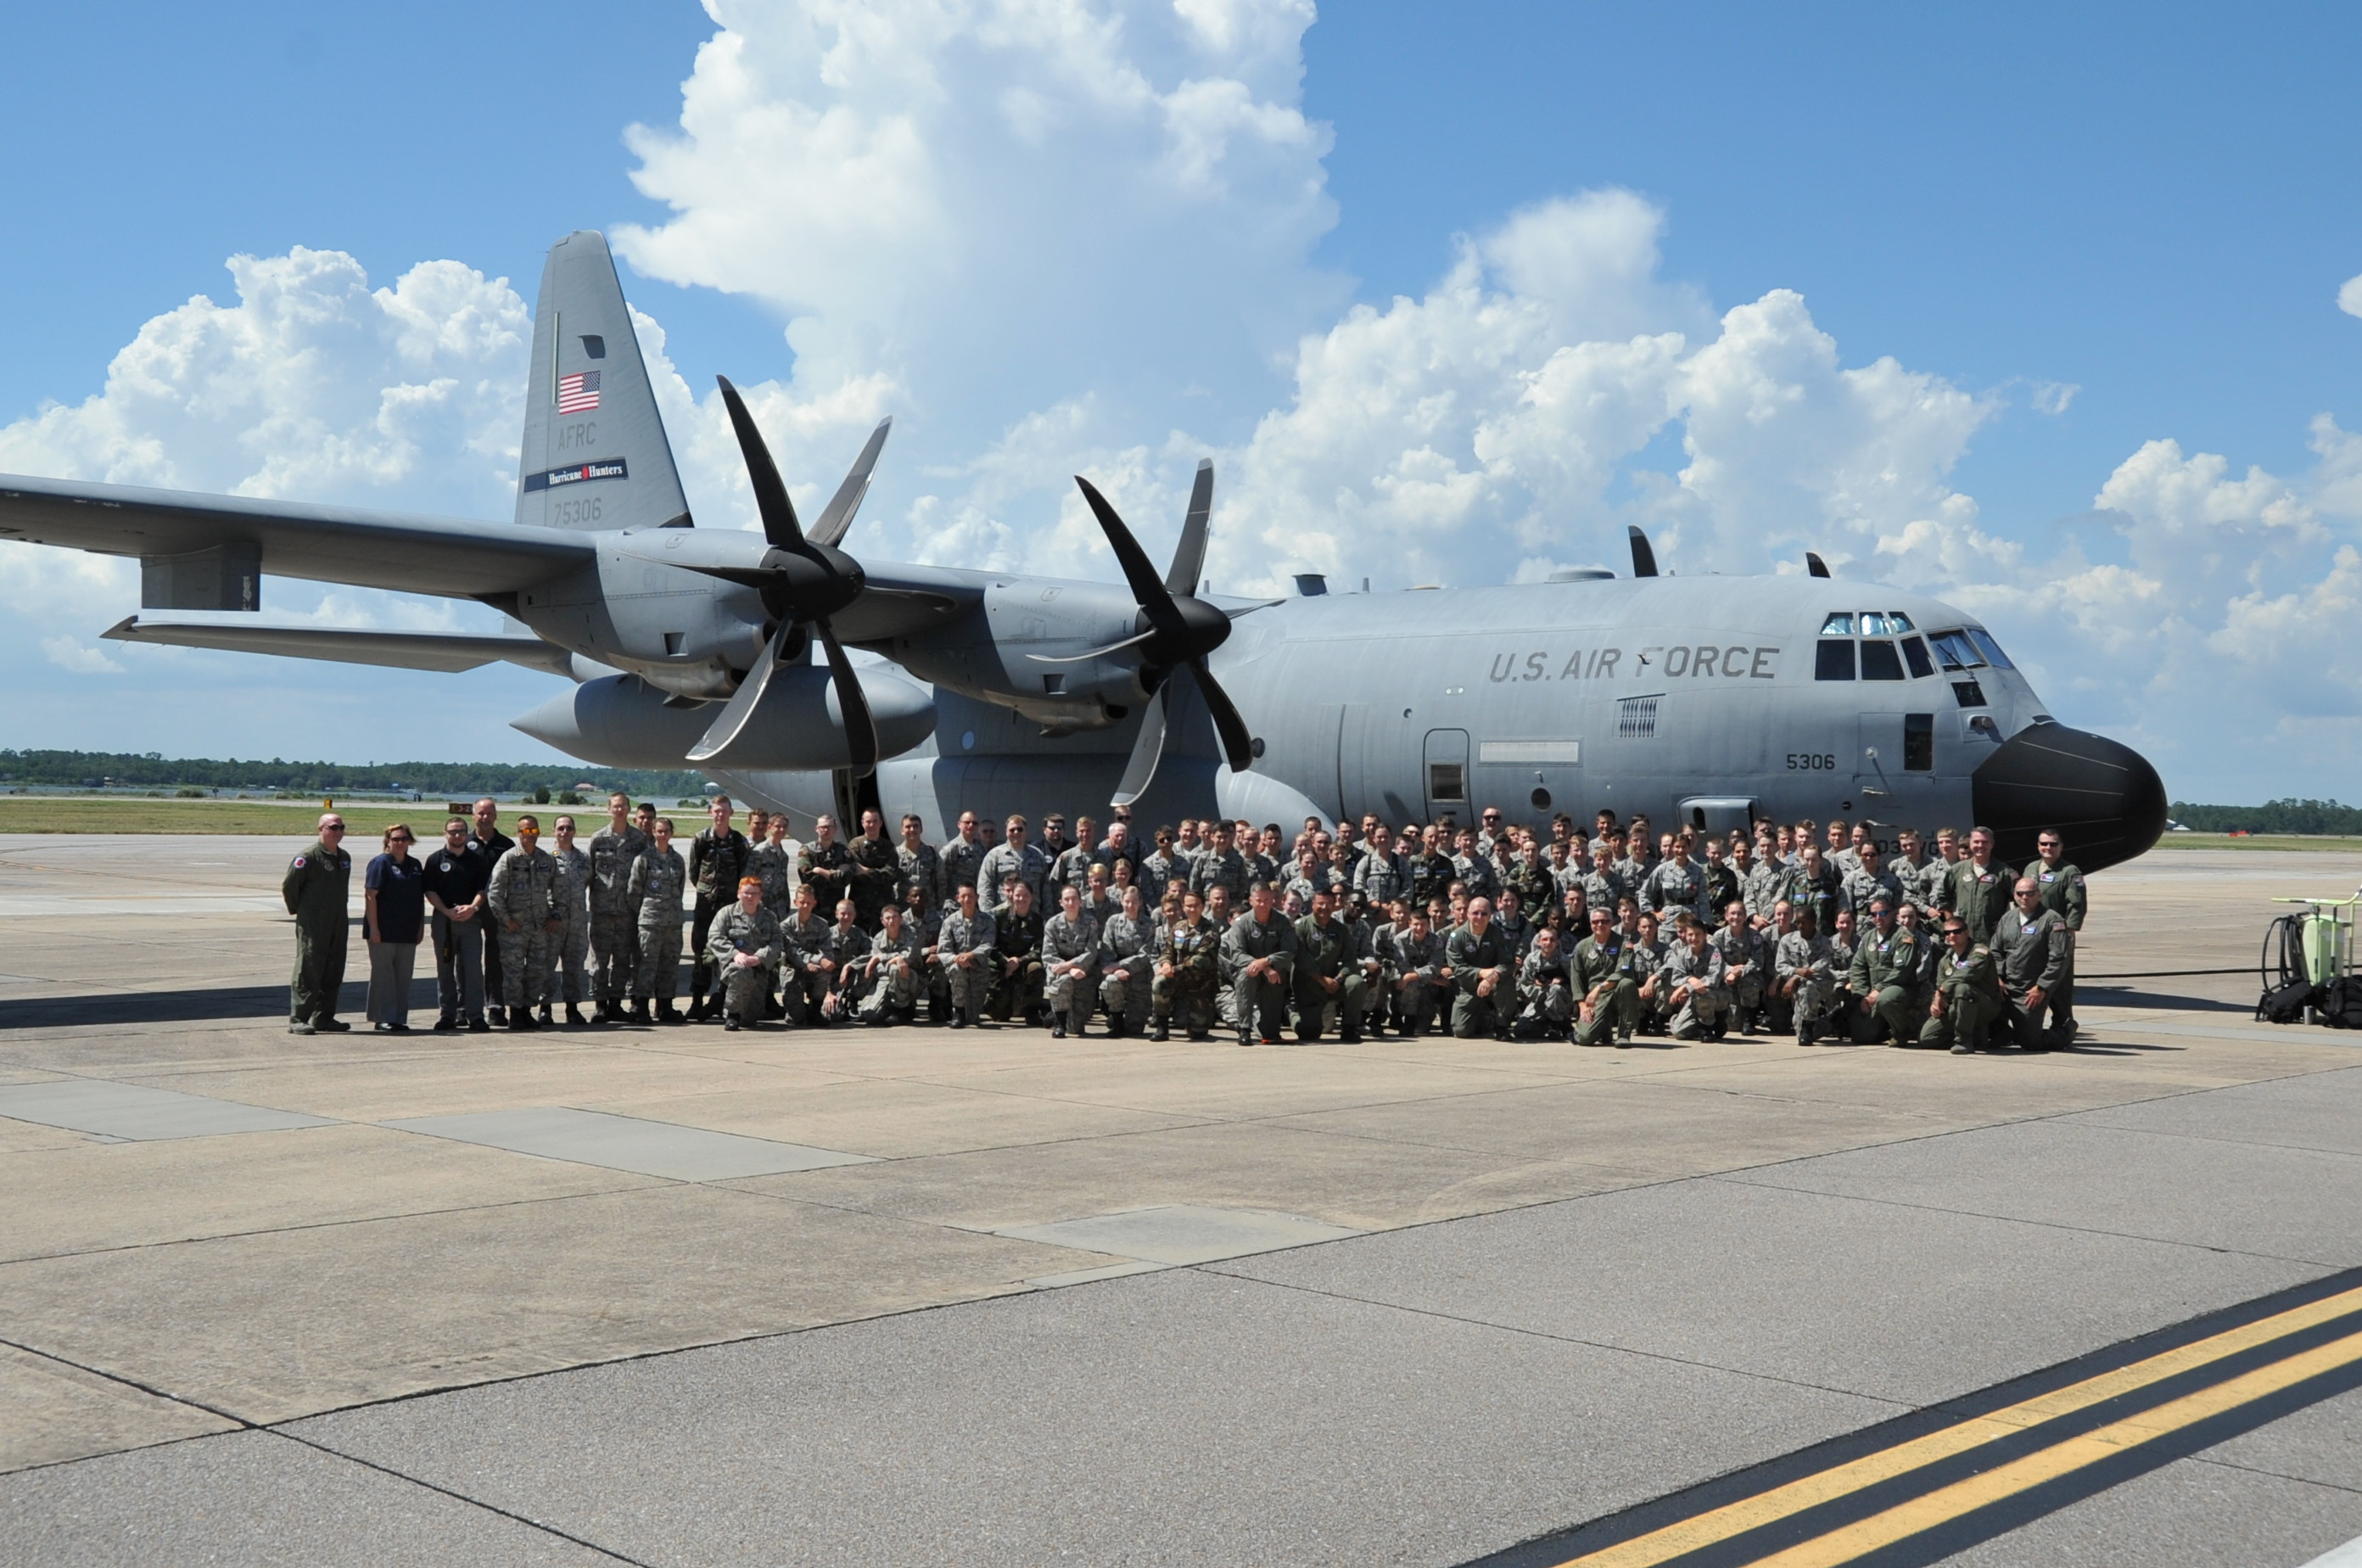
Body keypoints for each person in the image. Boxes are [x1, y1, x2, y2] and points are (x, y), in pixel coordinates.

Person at [488, 815, 562, 1030]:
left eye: (534, 831)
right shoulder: (509, 858)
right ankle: (515, 1012)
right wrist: (506, 919)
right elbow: (495, 892)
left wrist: (555, 914)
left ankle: (528, 1009)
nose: (530, 835)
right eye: (526, 831)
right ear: (519, 833)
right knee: (514, 972)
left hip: (539, 928)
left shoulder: (546, 859)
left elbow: (558, 890)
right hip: (514, 929)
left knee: (537, 971)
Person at [283, 811, 353, 1035]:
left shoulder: (344, 857)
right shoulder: (308, 857)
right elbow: (290, 887)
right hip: (314, 923)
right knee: (309, 968)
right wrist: (302, 912)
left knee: (334, 969)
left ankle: (324, 1017)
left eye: (341, 827)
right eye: (333, 827)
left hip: (338, 922)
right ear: (320, 829)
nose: (338, 832)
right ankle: (298, 1018)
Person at [422, 816, 490, 1033]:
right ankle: (447, 1015)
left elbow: (483, 890)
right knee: (445, 970)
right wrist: (446, 911)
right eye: (453, 832)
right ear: (445, 834)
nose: (457, 835)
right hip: (444, 920)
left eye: (461, 831)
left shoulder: (477, 860)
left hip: (470, 920)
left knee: (472, 970)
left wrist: (473, 908)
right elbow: (430, 891)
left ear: (466, 833)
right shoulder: (435, 860)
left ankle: (476, 1016)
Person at [686, 798, 752, 1020]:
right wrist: (707, 891)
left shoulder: (739, 842)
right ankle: (696, 1001)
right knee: (701, 952)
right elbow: (694, 873)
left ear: (731, 812)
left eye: (724, 811)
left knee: (729, 954)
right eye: (716, 811)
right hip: (706, 906)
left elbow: (744, 873)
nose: (720, 815)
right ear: (709, 812)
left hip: (729, 909)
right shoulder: (701, 839)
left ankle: (723, 1000)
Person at [586, 793, 647, 1024]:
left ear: (629, 809)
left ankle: (615, 1003)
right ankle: (600, 1005)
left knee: (623, 961)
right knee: (599, 962)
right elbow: (590, 873)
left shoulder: (639, 840)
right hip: (602, 910)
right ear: (608, 809)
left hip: (628, 911)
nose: (619, 810)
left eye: (623, 806)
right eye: (615, 806)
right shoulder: (598, 839)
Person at [1992, 875, 2071, 1050]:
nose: (2024, 898)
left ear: (2039, 895)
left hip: (2030, 991)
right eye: (2020, 894)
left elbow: (2058, 958)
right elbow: (1995, 950)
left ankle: (2065, 1031)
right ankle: (2006, 1034)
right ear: (2014, 895)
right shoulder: (2008, 918)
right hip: (2006, 988)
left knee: (2030, 1042)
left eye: (2030, 894)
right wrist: (1998, 977)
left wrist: (2042, 987)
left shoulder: (2052, 920)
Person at [2025, 829, 2088, 1039]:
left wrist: (2068, 936)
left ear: (2061, 847)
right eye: (2044, 844)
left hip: (2057, 936)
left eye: (2053, 844)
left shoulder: (2070, 872)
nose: (2048, 848)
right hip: (2033, 935)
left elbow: (2076, 905)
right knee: (2034, 979)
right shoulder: (2031, 868)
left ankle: (2065, 1026)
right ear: (2038, 846)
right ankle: (2031, 1025)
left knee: (2060, 984)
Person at [362, 823, 423, 1033]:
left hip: (407, 930)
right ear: (388, 841)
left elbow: (418, 898)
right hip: (384, 930)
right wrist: (374, 928)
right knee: (383, 976)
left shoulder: (415, 865)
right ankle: (382, 1018)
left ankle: (397, 1018)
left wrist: (420, 927)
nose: (400, 843)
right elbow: (371, 895)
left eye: (404, 839)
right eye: (395, 839)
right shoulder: (380, 863)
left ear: (410, 841)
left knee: (403, 977)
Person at [627, 818, 688, 1022]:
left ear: (671, 833)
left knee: (670, 964)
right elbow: (634, 891)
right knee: (647, 963)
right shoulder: (644, 859)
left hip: (673, 921)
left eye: (666, 831)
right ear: (653, 832)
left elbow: (679, 888)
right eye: (659, 831)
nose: (663, 834)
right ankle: (642, 1005)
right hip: (651, 921)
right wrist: (645, 913)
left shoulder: (677, 859)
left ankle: (665, 1006)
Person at [1222, 881, 1296, 1044]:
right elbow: (1237, 954)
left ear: (1273, 900)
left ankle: (1268, 1026)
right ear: (1251, 901)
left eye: (1267, 900)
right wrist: (1263, 967)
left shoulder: (1282, 922)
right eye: (1259, 900)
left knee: (1269, 1034)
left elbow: (1290, 951)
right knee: (1244, 977)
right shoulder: (1241, 923)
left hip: (1275, 973)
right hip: (1251, 970)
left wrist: (1267, 962)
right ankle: (1244, 1028)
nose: (1263, 904)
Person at [704, 877, 781, 1031]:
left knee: (749, 1019)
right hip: (732, 966)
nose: (750, 897)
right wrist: (735, 954)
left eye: (754, 893)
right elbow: (715, 937)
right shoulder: (726, 913)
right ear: (739, 893)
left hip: (758, 967)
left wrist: (759, 957)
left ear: (761, 895)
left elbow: (777, 943)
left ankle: (720, 1001)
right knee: (741, 970)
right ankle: (732, 1014)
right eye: (746, 893)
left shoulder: (769, 917)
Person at [1293, 888, 1368, 1043]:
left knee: (1356, 983)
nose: (1324, 908)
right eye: (1320, 903)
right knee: (1310, 1034)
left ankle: (1349, 1029)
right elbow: (1301, 958)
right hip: (1308, 985)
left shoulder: (1340, 929)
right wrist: (1321, 980)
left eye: (1329, 904)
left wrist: (1339, 979)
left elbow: (1350, 958)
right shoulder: (1301, 926)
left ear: (1335, 906)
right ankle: (1290, 1012)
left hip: (1333, 983)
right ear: (1313, 904)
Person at [1921, 917, 2005, 1055]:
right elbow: (1940, 987)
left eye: (1957, 931)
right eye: (1947, 933)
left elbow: (1968, 973)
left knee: (1963, 988)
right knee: (1927, 1038)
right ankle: (1975, 1038)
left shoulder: (1979, 952)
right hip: (1956, 1007)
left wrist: (1942, 990)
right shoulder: (1945, 960)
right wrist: (1936, 1005)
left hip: (1984, 1005)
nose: (1951, 936)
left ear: (1967, 932)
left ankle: (1964, 1041)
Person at [1847, 895, 1923, 1045]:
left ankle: (1902, 1032)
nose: (1878, 918)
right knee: (1861, 1037)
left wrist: (1879, 989)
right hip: (1872, 992)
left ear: (1893, 914)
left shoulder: (1903, 937)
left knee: (1886, 999)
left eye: (1882, 913)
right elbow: (1857, 967)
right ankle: (1882, 1029)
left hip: (1900, 989)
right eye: (1874, 914)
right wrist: (1862, 994)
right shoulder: (1868, 937)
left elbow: (1902, 970)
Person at [467, 799, 515, 1025]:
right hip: (469, 909)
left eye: (489, 813)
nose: (485, 817)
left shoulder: (506, 845)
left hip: (497, 910)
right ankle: (464, 1006)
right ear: (473, 816)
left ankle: (496, 1006)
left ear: (496, 816)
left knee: (496, 958)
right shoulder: (463, 842)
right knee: (467, 959)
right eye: (480, 813)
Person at [1150, 889, 1221, 1041]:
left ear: (1203, 906)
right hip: (1178, 979)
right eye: (1188, 906)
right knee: (1159, 983)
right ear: (1183, 907)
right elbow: (1167, 951)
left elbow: (1200, 961)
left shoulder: (1210, 931)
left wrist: (1173, 969)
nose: (1192, 909)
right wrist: (1166, 964)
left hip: (1201, 985)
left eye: (1195, 905)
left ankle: (1195, 1021)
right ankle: (1162, 1028)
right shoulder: (1178, 927)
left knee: (1197, 1033)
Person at [1040, 883, 1102, 1039]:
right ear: (1060, 902)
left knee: (1076, 1029)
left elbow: (1091, 951)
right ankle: (1060, 1024)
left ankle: (1055, 1015)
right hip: (1059, 974)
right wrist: (1068, 969)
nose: (1070, 903)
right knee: (1064, 980)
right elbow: (1048, 955)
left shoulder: (1090, 922)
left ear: (1081, 901)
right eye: (1066, 899)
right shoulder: (1052, 924)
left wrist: (1071, 965)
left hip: (1083, 974)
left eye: (1074, 899)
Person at [1446, 896, 1513, 1039]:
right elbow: (1457, 968)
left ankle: (1502, 1026)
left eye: (1484, 914)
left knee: (1507, 983)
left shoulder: (1499, 934)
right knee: (1461, 1031)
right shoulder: (1456, 937)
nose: (1479, 917)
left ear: (1491, 915)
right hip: (1468, 987)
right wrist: (1481, 973)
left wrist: (1491, 978)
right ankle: (1485, 1017)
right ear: (1468, 914)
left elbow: (1508, 963)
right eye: (1475, 913)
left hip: (1494, 984)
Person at [932, 882, 997, 1029]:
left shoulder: (988, 920)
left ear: (977, 898)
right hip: (957, 965)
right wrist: (957, 959)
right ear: (958, 898)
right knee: (957, 970)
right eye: (964, 896)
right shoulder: (950, 922)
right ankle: (958, 1012)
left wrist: (970, 955)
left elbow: (987, 944)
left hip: (978, 966)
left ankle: (970, 1012)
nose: (967, 899)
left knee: (973, 1019)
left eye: (971, 896)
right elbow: (943, 949)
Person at [548, 815, 592, 1026]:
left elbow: (587, 885)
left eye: (568, 828)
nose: (564, 832)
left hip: (577, 923)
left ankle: (572, 1008)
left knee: (574, 967)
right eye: (561, 828)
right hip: (553, 923)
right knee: (547, 966)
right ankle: (545, 1008)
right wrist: (551, 914)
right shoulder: (546, 858)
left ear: (574, 831)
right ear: (554, 831)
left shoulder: (584, 859)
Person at [1571, 907, 1637, 1047]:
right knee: (1584, 1038)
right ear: (1590, 924)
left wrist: (1599, 988)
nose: (1600, 925)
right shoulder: (1582, 947)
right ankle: (1603, 1029)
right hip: (1595, 1000)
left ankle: (1624, 1035)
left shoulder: (1624, 945)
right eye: (1595, 922)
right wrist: (1582, 1006)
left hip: (1615, 993)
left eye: (1604, 921)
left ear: (1612, 922)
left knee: (1627, 984)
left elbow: (1623, 972)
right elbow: (1577, 977)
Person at [853, 901, 926, 1026]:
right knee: (870, 1016)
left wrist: (882, 957)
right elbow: (879, 969)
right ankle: (888, 1006)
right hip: (885, 980)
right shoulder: (878, 938)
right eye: (888, 918)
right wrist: (895, 958)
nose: (892, 921)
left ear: (901, 919)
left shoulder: (911, 932)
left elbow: (908, 957)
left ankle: (902, 1009)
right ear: (882, 921)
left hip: (912, 979)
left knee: (896, 968)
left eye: (895, 917)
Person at [1938, 826, 2014, 945]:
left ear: (1992, 844)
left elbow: (2022, 900)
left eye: (1984, 842)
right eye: (1976, 842)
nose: (1980, 845)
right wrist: (1952, 923)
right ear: (1970, 843)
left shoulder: (2005, 872)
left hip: (1992, 940)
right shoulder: (1958, 870)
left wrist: (2007, 921)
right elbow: (1943, 898)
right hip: (1963, 940)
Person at [1775, 904, 1839, 1045]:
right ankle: (1829, 1021)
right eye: (1798, 922)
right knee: (1797, 1028)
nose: (1800, 925)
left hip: (1822, 984)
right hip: (1799, 987)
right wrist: (1796, 972)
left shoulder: (1824, 942)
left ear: (1814, 921)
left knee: (1808, 988)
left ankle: (1808, 1028)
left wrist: (1795, 977)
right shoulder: (1788, 940)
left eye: (1804, 922)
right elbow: (1780, 965)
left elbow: (1818, 969)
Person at [1097, 884, 1156, 1038]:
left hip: (1140, 977)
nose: (1130, 905)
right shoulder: (1113, 922)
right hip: (1117, 973)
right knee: (1110, 981)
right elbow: (1106, 949)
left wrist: (1121, 965)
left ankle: (1125, 1020)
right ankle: (1116, 1019)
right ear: (1122, 902)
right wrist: (1116, 969)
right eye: (1127, 901)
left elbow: (1146, 955)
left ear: (1140, 902)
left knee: (1134, 1030)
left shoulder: (1149, 925)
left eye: (1134, 902)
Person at [988, 880, 1046, 1023]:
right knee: (999, 1015)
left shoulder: (1037, 920)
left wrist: (1019, 961)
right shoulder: (998, 916)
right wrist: (1006, 962)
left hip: (1023, 964)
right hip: (1000, 965)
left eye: (1025, 895)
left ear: (1032, 897)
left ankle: (1031, 1010)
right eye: (1018, 895)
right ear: (1011, 896)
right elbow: (990, 946)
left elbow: (1039, 949)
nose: (1021, 899)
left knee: (1037, 969)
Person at [781, 884, 837, 1026]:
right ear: (795, 903)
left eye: (808, 902)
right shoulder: (785, 926)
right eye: (802, 902)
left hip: (815, 969)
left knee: (826, 971)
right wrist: (813, 961)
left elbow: (826, 950)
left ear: (814, 903)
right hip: (792, 968)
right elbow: (792, 951)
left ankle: (816, 1009)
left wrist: (822, 961)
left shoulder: (822, 924)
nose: (805, 905)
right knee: (797, 1019)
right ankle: (799, 1009)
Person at [1513, 925, 1574, 1041]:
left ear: (1558, 942)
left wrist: (1561, 982)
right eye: (1545, 939)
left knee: (1556, 989)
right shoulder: (1531, 960)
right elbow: (1525, 984)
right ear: (1539, 942)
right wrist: (1543, 988)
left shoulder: (1566, 961)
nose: (1548, 942)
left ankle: (1557, 1024)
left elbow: (1574, 985)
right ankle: (1547, 1025)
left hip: (1561, 1003)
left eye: (1552, 939)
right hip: (1539, 1000)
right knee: (1521, 1031)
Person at [848, 808, 900, 929]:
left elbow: (891, 874)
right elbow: (855, 870)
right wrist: (878, 873)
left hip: (883, 903)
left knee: (883, 941)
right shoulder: (855, 845)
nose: (872, 825)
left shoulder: (888, 846)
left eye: (875, 821)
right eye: (868, 821)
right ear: (862, 823)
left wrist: (867, 871)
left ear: (881, 823)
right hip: (860, 903)